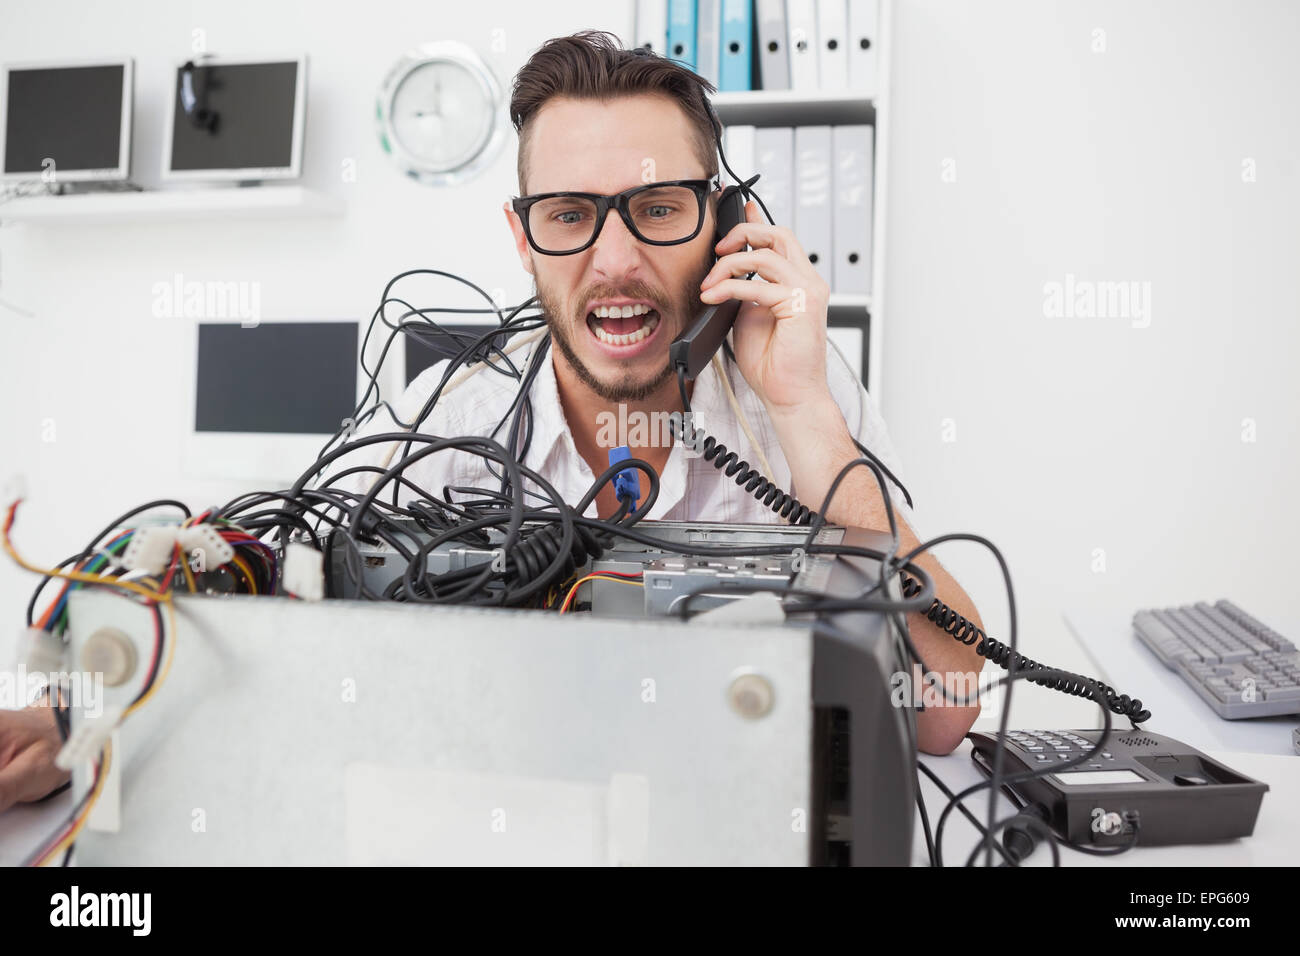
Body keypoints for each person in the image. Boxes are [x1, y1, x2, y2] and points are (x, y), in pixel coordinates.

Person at [0, 31, 985, 818]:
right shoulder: (442, 420)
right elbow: (258, 589)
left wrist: (805, 416)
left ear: (722, 223)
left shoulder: (803, 396)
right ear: (521, 236)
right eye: (568, 213)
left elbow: (944, 714)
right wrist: (65, 711)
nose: (614, 259)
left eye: (656, 207)